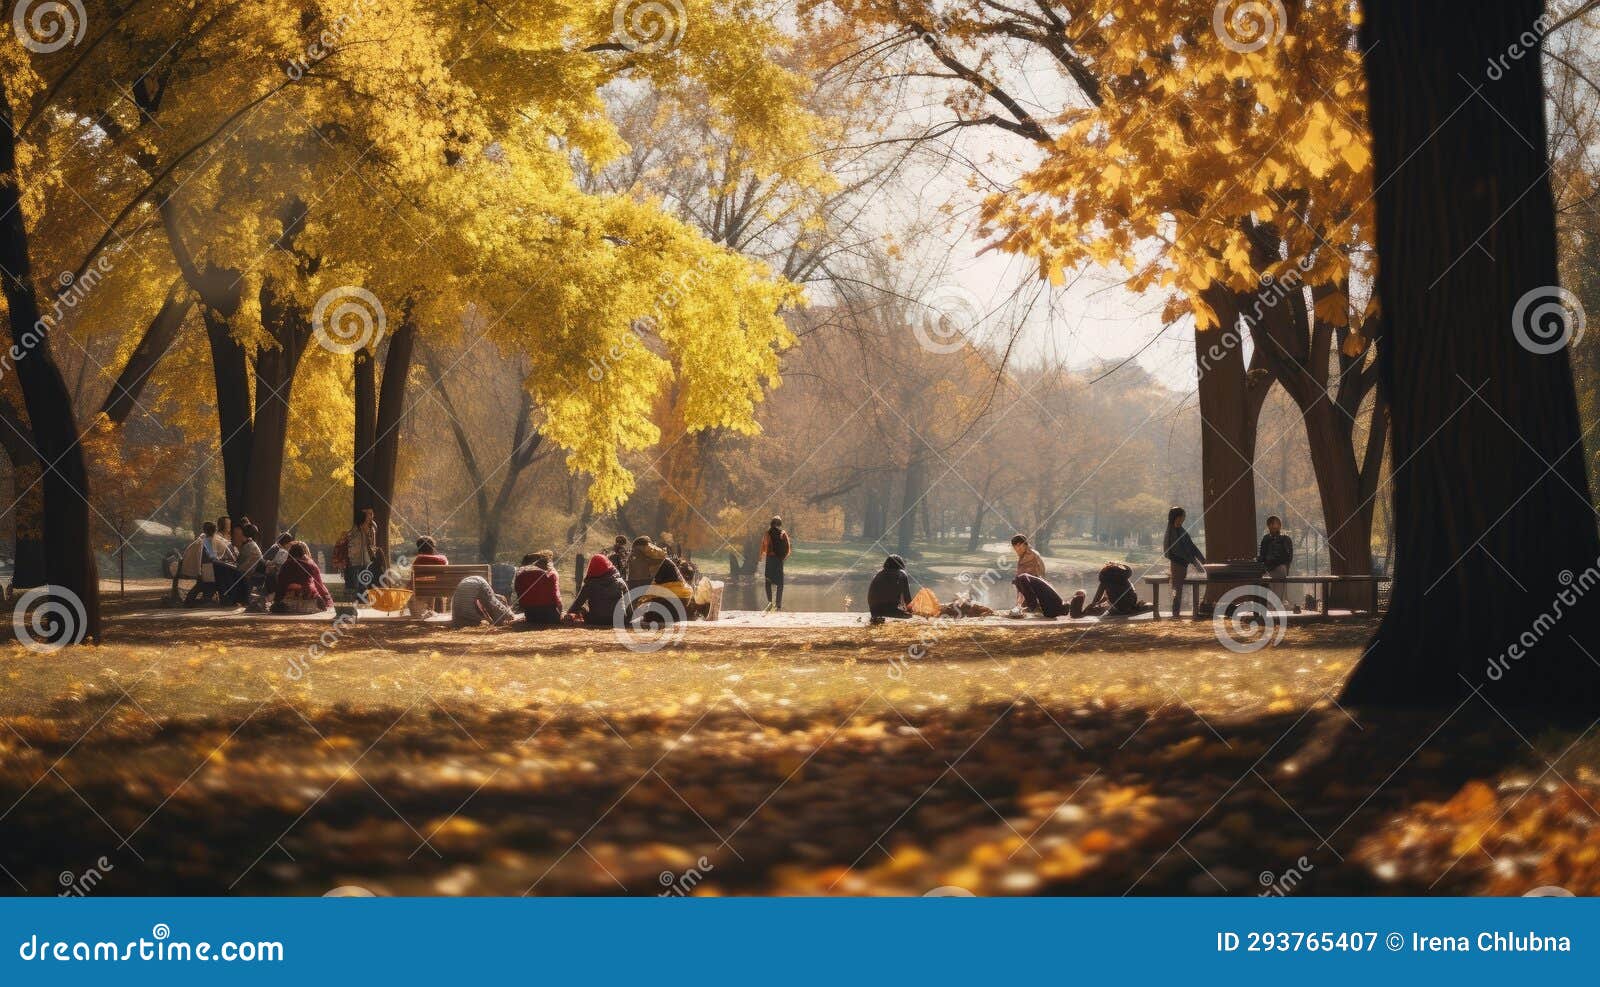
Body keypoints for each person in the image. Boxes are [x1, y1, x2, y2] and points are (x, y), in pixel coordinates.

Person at [1163, 506, 1205, 618]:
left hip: (1183, 565)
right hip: (1177, 565)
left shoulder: (1181, 530)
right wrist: (1195, 562)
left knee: (1178, 589)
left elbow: (1191, 547)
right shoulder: (1171, 531)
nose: (1184, 518)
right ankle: (1175, 614)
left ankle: (1177, 613)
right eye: (1183, 516)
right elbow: (1173, 551)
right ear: (1177, 517)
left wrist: (1202, 560)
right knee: (1177, 589)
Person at [567, 554, 630, 627]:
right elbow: (629, 606)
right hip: (620, 619)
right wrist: (628, 619)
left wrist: (572, 613)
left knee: (583, 608)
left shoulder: (589, 584)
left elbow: (576, 606)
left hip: (596, 620)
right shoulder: (620, 581)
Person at [1073, 561, 1152, 618]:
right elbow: (1131, 595)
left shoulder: (1105, 582)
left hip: (1118, 610)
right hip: (1130, 607)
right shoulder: (1124, 579)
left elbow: (1096, 600)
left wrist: (1089, 608)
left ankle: (1080, 613)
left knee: (1094, 610)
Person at [272, 541, 332, 613]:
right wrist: (327, 599)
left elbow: (280, 584)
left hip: (288, 604)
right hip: (310, 603)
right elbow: (319, 584)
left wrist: (276, 601)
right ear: (304, 552)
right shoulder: (311, 564)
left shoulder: (286, 565)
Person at [216, 522, 265, 606]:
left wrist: (228, 562)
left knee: (225, 574)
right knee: (226, 572)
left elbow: (239, 564)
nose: (235, 537)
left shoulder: (248, 546)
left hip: (250, 572)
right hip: (249, 570)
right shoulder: (249, 544)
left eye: (237, 535)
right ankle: (230, 599)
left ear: (242, 536)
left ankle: (229, 599)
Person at [338, 507, 380, 601]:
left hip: (365, 559)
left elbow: (372, 543)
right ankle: (354, 600)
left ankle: (362, 599)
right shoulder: (354, 528)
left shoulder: (371, 528)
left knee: (363, 580)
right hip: (354, 559)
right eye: (369, 514)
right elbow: (347, 541)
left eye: (371, 514)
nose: (371, 516)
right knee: (354, 581)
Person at [182, 522, 228, 606]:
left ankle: (195, 600)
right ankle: (201, 600)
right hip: (208, 568)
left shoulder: (201, 541)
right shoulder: (209, 541)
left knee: (202, 585)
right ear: (214, 530)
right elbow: (212, 557)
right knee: (207, 584)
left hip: (204, 568)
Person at [515, 552, 563, 627]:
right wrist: (560, 612)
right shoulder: (551, 576)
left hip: (531, 616)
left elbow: (519, 595)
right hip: (550, 616)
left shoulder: (520, 575)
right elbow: (556, 597)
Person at [450, 574, 515, 628]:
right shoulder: (474, 618)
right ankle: (508, 615)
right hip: (477, 581)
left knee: (491, 601)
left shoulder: (460, 618)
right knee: (491, 601)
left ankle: (507, 615)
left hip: (466, 582)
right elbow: (492, 603)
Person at [1257, 515, 1293, 610]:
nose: (1274, 526)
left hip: (1279, 568)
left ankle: (1275, 609)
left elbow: (1288, 557)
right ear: (1268, 526)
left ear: (1279, 526)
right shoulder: (1266, 539)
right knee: (1268, 590)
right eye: (1272, 524)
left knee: (1278, 591)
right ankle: (1269, 609)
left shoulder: (1285, 539)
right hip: (1267, 569)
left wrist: (1275, 562)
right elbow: (1262, 555)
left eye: (1276, 524)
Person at [867, 555, 914, 623]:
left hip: (874, 611)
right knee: (909, 616)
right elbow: (907, 598)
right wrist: (911, 612)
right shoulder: (902, 574)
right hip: (889, 610)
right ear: (901, 564)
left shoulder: (879, 573)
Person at [759, 517, 790, 611]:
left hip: (770, 560)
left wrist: (761, 556)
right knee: (780, 583)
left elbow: (763, 546)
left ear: (771, 523)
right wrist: (782, 558)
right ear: (779, 524)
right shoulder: (783, 533)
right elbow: (788, 549)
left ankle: (770, 604)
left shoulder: (767, 533)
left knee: (768, 582)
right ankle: (778, 605)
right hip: (778, 561)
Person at [1010, 534, 1046, 609]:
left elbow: (1023, 579)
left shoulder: (1029, 556)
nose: (1016, 551)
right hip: (1035, 588)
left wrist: (1018, 605)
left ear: (1020, 545)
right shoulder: (1029, 553)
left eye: (1016, 548)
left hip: (1033, 590)